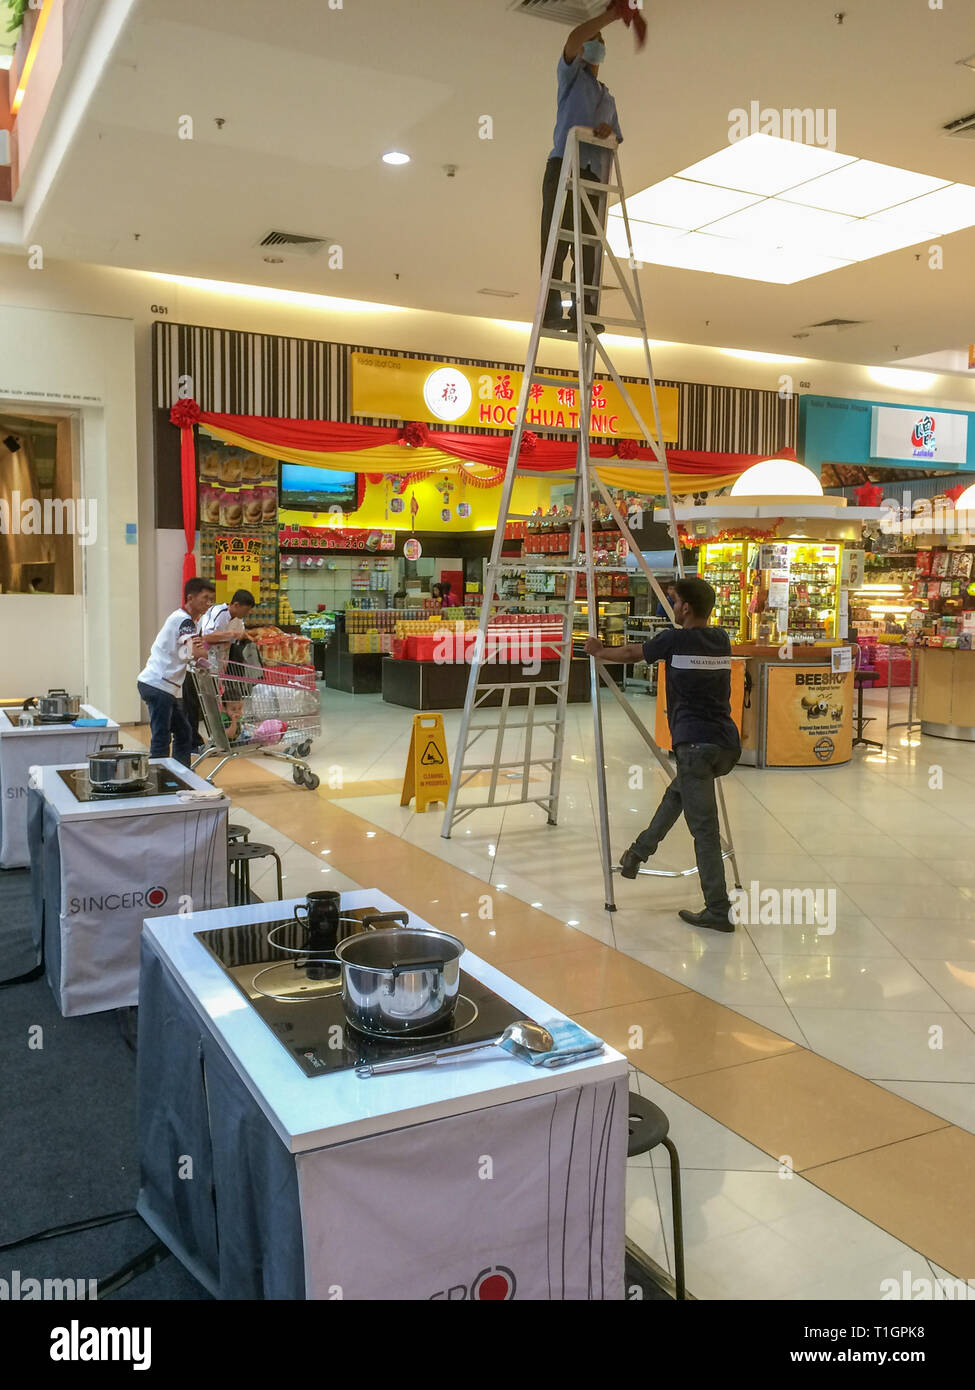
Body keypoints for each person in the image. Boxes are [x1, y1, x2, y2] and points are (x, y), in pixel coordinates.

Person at [584, 576, 741, 932]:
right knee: (677, 794)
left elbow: (631, 654)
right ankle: (637, 853)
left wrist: (597, 650)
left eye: (673, 601)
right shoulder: (720, 638)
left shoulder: (674, 639)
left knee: (704, 829)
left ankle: (718, 908)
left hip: (695, 745)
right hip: (725, 745)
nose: (670, 606)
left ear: (685, 607)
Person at [541, 4, 625, 333]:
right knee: (556, 242)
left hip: (591, 176)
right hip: (563, 167)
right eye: (594, 39)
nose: (595, 44)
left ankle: (583, 312)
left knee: (587, 248)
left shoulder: (608, 97)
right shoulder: (571, 77)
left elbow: (617, 138)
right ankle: (550, 309)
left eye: (599, 40)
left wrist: (608, 132)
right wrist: (609, 16)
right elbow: (573, 38)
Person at [137, 577, 213, 766]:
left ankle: (182, 775)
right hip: (158, 685)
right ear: (190, 597)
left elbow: (190, 651)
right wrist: (202, 653)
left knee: (183, 732)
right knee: (162, 737)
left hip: (162, 686)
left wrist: (200, 652)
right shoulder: (185, 621)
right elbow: (197, 652)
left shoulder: (185, 620)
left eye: (211, 599)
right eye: (205, 598)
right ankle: (159, 780)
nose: (208, 603)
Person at [200, 589, 256, 741]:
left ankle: (224, 735)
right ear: (236, 604)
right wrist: (231, 635)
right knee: (207, 704)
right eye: (246, 610)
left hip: (218, 667)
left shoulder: (236, 620)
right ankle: (216, 737)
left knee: (216, 702)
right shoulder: (219, 612)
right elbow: (207, 636)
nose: (247, 613)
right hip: (205, 665)